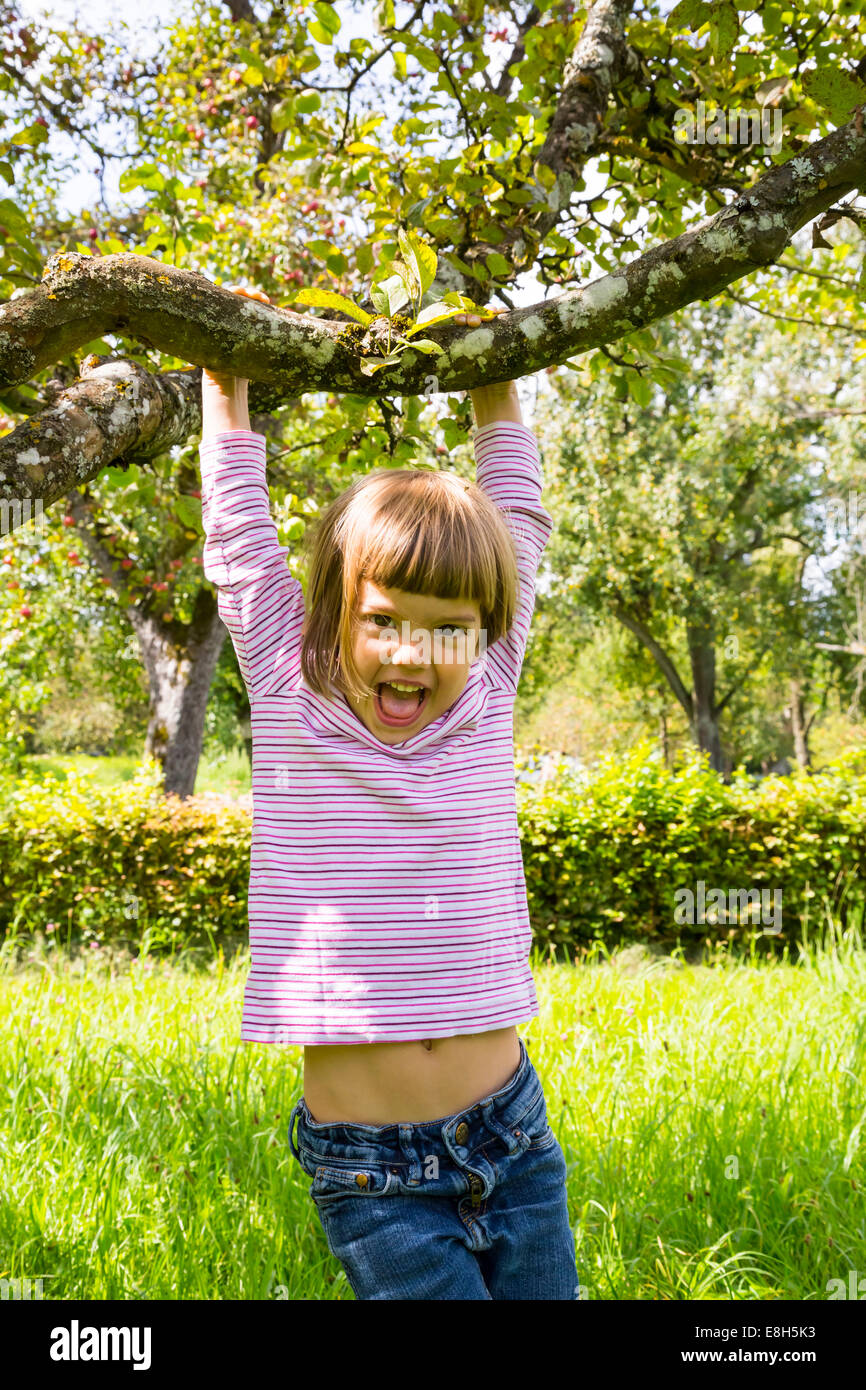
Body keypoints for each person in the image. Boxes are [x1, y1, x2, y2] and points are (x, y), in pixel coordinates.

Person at [199, 285, 580, 1301]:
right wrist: (221, 380)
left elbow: (520, 514)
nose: (412, 652)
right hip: (370, 1172)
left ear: (483, 627)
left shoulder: (487, 686)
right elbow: (238, 540)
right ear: (335, 612)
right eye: (382, 622)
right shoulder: (290, 678)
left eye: (444, 627)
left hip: (512, 1133)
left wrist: (493, 372)